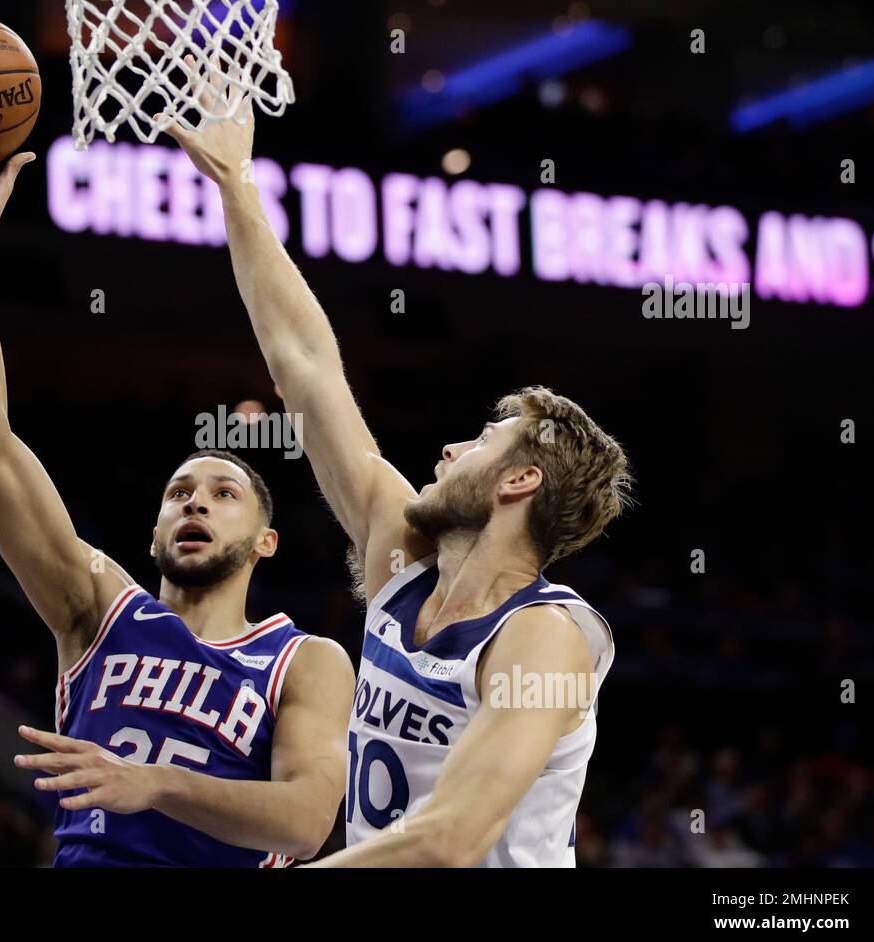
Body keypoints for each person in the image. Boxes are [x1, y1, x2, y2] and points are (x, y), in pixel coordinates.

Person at [161, 64, 632, 866]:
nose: (450, 449)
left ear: (521, 481)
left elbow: (446, 841)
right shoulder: (400, 559)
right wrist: (237, 184)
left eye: (484, 439)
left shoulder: (541, 639)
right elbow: (305, 364)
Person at [0, 149, 354, 868]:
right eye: (178, 492)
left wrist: (156, 784)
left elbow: (303, 821)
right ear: (156, 530)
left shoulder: (302, 660)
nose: (195, 497)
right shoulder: (101, 609)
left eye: (223, 492)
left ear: (266, 541)